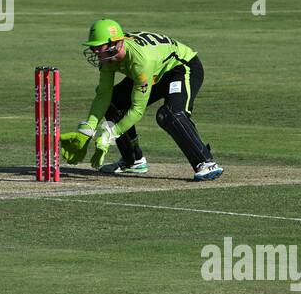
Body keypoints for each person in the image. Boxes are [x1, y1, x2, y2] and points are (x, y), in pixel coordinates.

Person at [60, 20, 224, 181]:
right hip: (154, 72)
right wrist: (87, 130)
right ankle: (133, 160)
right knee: (114, 102)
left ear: (115, 44)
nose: (95, 51)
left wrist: (111, 133)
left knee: (170, 114)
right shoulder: (108, 58)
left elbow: (137, 109)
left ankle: (206, 163)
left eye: (98, 47)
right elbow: (103, 95)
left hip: (181, 67)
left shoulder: (140, 61)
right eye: (93, 47)